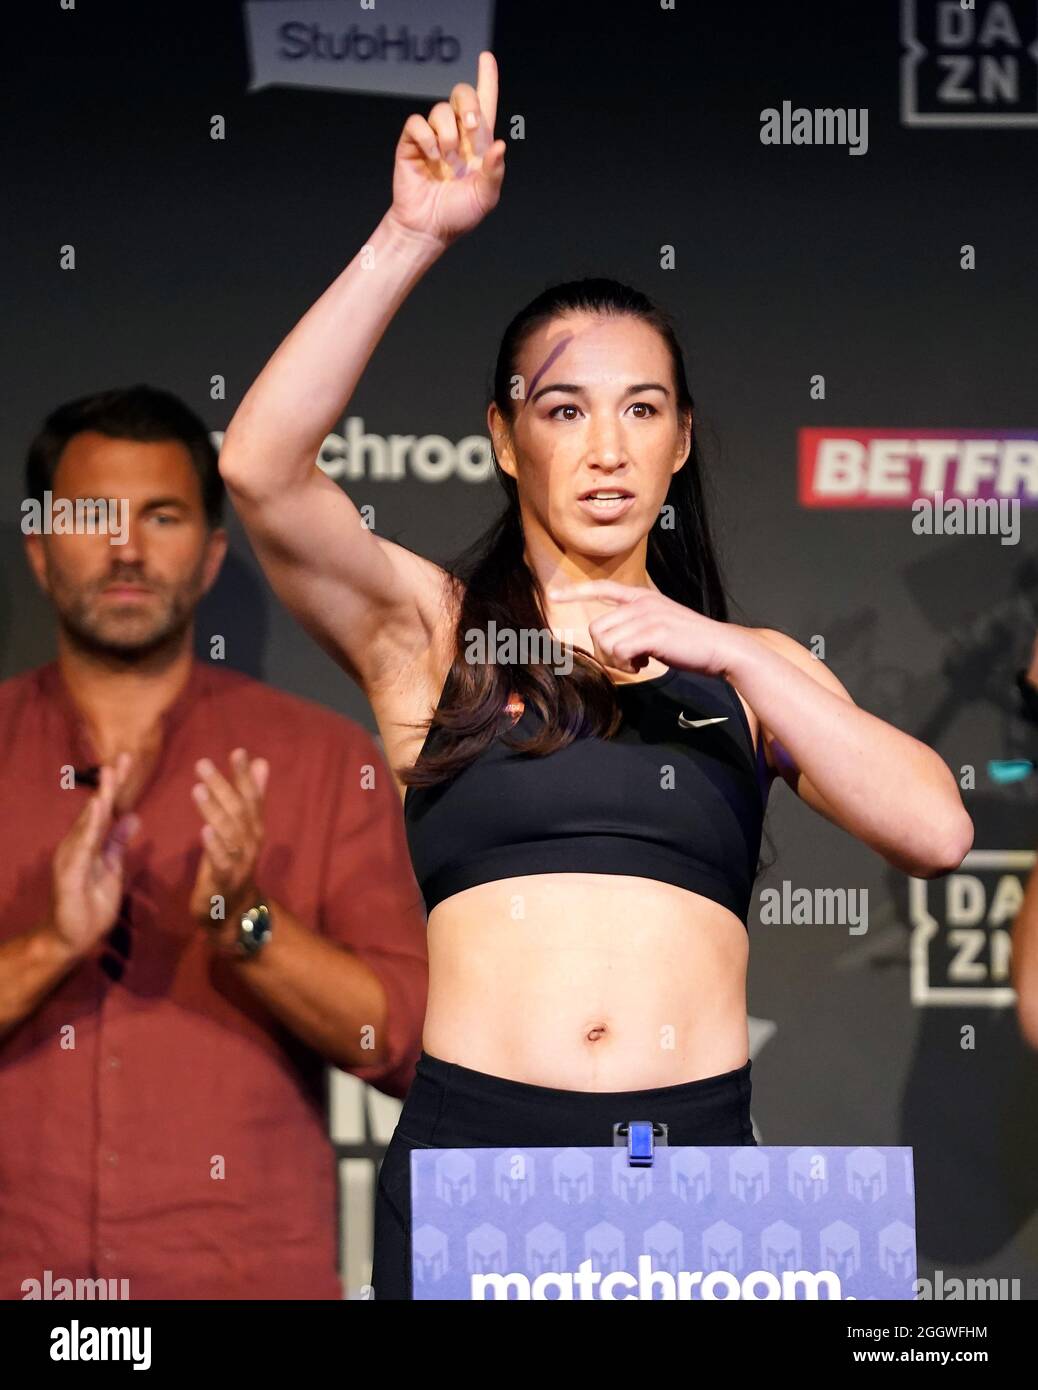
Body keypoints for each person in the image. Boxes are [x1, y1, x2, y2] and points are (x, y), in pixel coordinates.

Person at [217, 49, 975, 1299]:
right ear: (505, 440)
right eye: (565, 410)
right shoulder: (434, 632)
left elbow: (939, 828)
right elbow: (258, 468)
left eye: (642, 411)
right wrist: (411, 236)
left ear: (681, 445)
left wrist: (722, 647)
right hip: (483, 1174)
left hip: (696, 1190)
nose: (607, 447)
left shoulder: (751, 674)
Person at [0, 385, 428, 1300]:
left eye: (161, 516)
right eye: (93, 516)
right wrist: (49, 950)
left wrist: (251, 927)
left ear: (210, 556)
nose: (126, 548)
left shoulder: (320, 763)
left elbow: (404, 1042)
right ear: (38, 552)